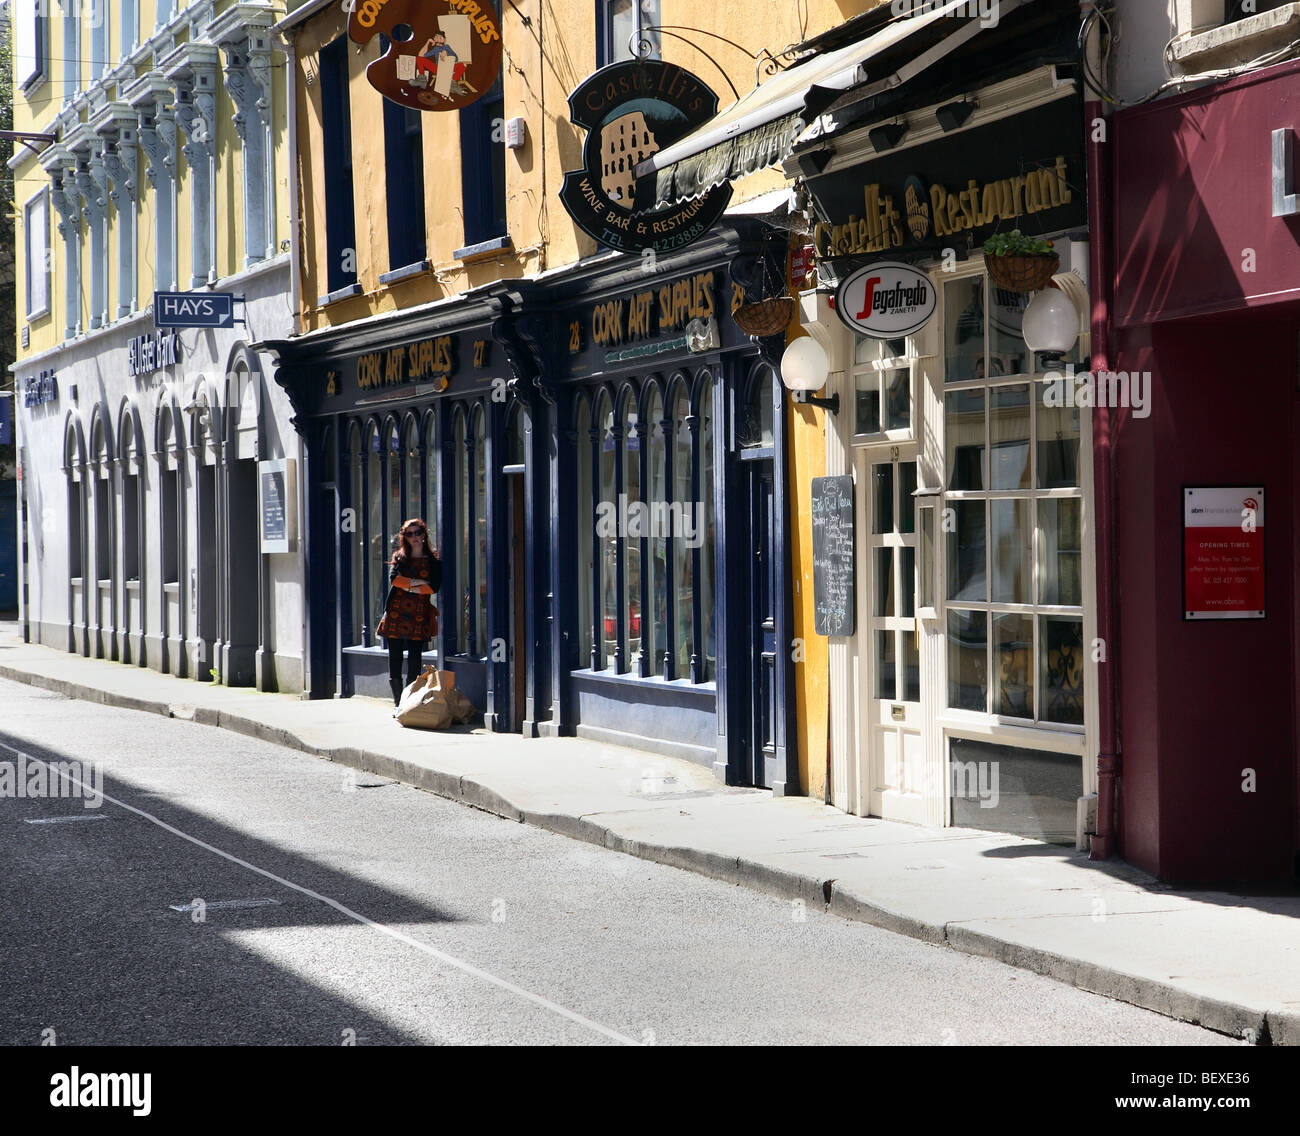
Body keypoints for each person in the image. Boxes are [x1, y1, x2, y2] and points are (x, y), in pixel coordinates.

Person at [376, 518, 441, 707]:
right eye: (410, 534)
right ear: (405, 537)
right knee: (395, 657)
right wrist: (418, 583)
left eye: (418, 533)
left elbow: (433, 587)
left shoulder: (433, 561)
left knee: (415, 658)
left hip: (419, 614)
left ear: (424, 535)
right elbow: (395, 581)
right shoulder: (400, 558)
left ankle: (408, 700)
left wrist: (408, 584)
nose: (415, 537)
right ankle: (398, 703)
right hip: (396, 613)